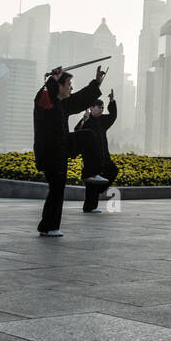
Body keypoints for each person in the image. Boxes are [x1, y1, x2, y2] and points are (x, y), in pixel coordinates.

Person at [34, 64, 107, 237]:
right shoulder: (46, 102)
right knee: (57, 189)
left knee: (89, 135)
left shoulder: (62, 104)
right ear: (58, 86)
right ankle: (48, 226)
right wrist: (54, 78)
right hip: (51, 152)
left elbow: (80, 99)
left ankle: (47, 226)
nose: (71, 88)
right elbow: (47, 91)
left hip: (62, 147)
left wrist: (96, 83)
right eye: (68, 84)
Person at [74, 89, 118, 213]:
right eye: (99, 107)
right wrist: (84, 119)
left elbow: (113, 116)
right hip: (90, 157)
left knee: (113, 170)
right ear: (91, 108)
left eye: (103, 107)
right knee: (92, 182)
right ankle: (90, 206)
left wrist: (111, 101)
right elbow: (77, 131)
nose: (101, 109)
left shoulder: (103, 120)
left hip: (104, 157)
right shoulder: (86, 119)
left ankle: (98, 191)